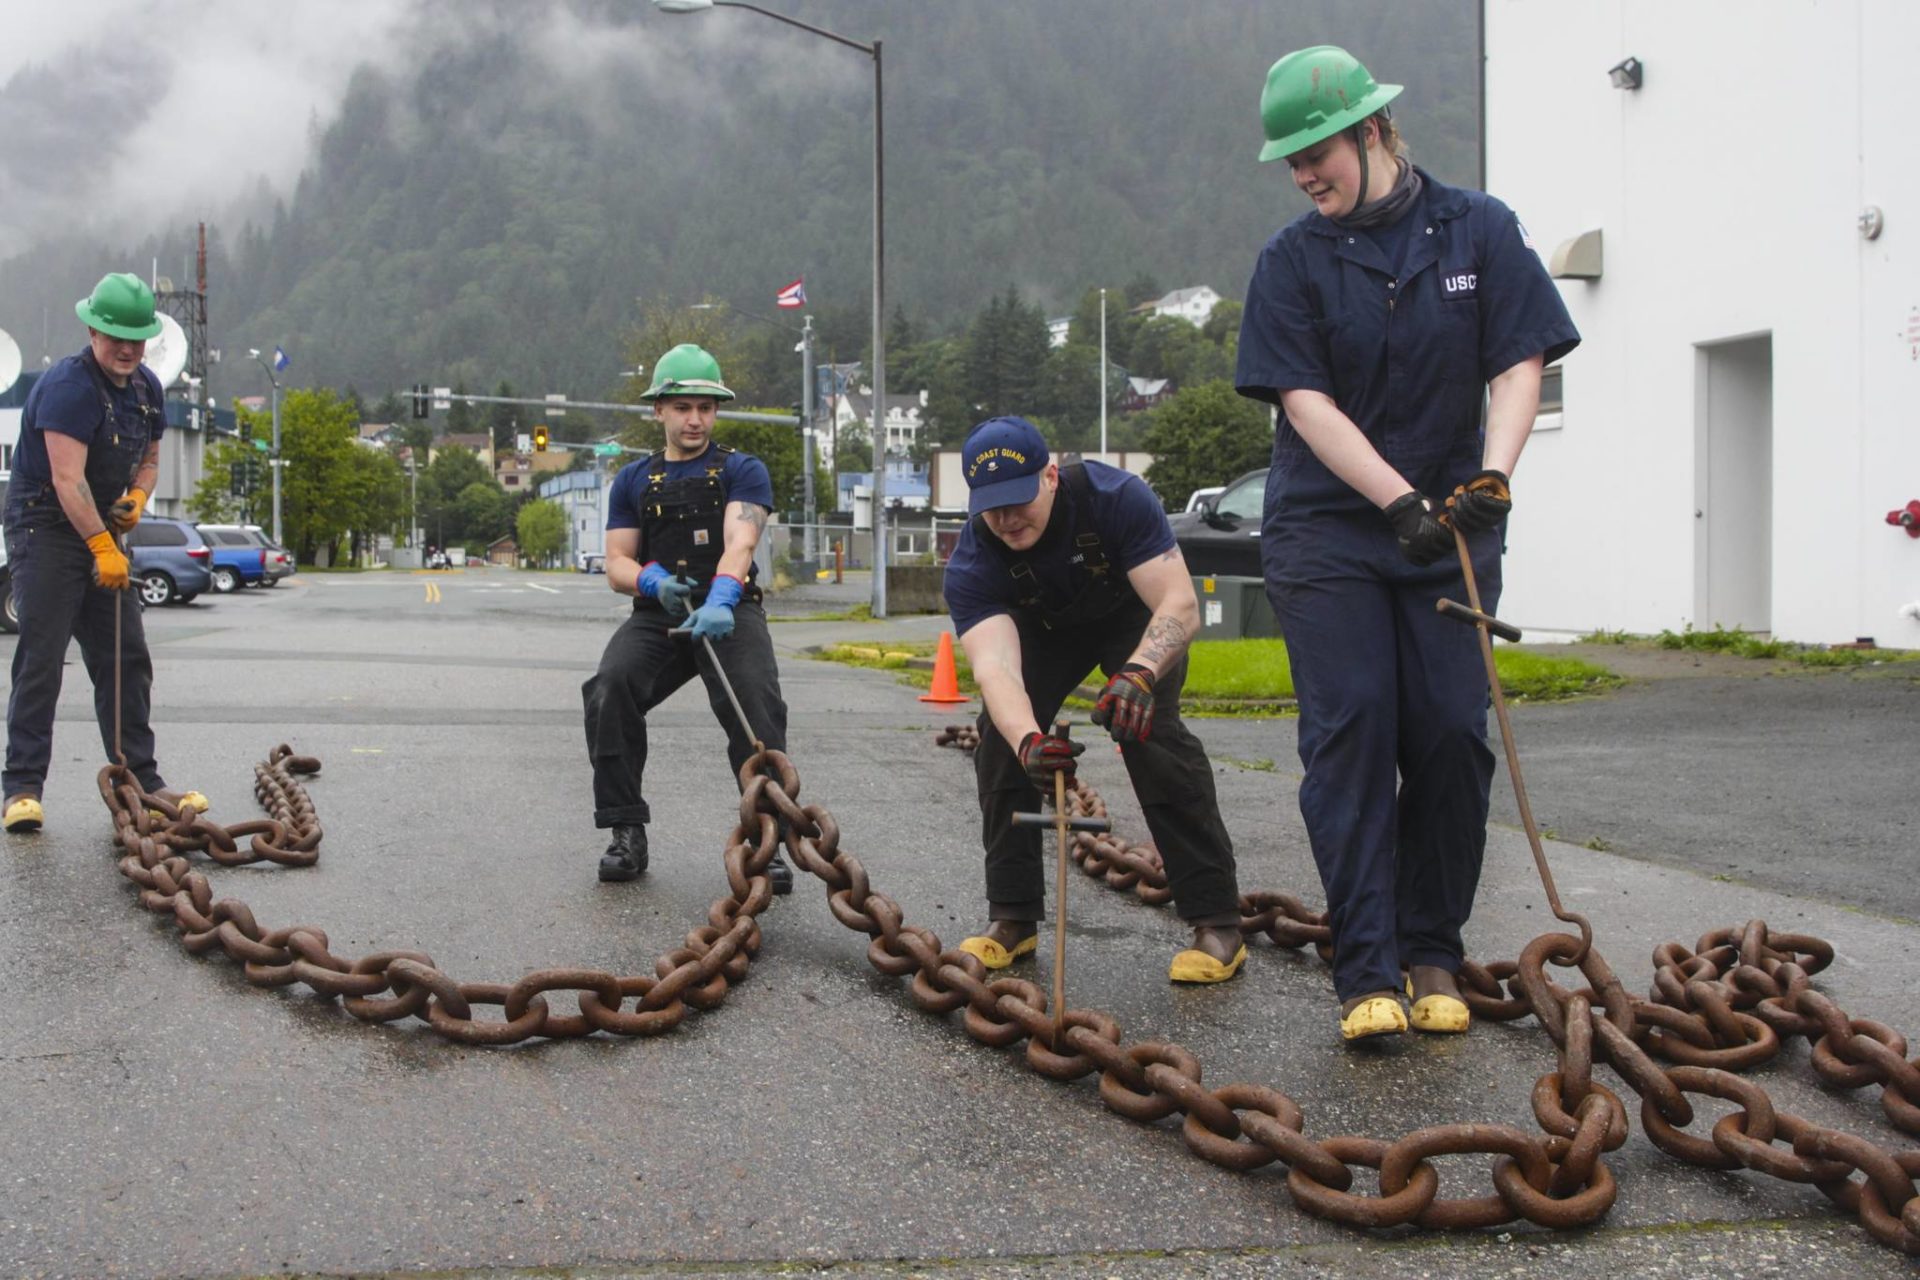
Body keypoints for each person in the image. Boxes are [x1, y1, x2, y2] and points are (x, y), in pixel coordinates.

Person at [1234, 46, 1580, 1041]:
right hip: (1327, 529)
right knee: (1353, 728)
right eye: (1292, 162)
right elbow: (1305, 402)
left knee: (1449, 733)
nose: (1304, 175)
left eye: (1316, 154)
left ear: (1373, 130)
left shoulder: (1480, 229)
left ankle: (1433, 950)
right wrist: (1396, 501)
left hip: (1451, 522)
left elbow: (1518, 362)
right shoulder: (1290, 261)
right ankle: (1366, 967)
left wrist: (1494, 476)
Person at [943, 416, 1246, 983]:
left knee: (1151, 734)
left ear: (1050, 476)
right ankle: (1013, 915)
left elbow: (1179, 605)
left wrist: (1140, 674)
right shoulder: (974, 559)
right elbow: (996, 667)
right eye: (992, 508)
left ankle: (1217, 920)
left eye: (1017, 501)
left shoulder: (1116, 498)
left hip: (1132, 618)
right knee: (1001, 742)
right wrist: (1029, 742)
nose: (1006, 520)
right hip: (1042, 630)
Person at [581, 344, 792, 892]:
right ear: (659, 410)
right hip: (661, 613)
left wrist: (723, 595)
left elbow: (741, 541)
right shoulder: (633, 480)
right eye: (682, 407)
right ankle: (626, 830)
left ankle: (767, 839)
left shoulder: (742, 470)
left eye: (705, 407)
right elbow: (617, 562)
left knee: (757, 703)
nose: (694, 419)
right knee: (609, 688)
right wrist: (650, 582)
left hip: (728, 609)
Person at [3, 273, 208, 833]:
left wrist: (138, 497)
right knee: (43, 657)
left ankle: (140, 779)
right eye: (116, 336)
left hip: (102, 525)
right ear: (93, 330)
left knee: (125, 656)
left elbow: (150, 459)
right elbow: (67, 481)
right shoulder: (69, 387)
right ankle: (22, 788)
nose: (127, 348)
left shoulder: (147, 389)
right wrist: (100, 546)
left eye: (137, 338)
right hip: (45, 527)